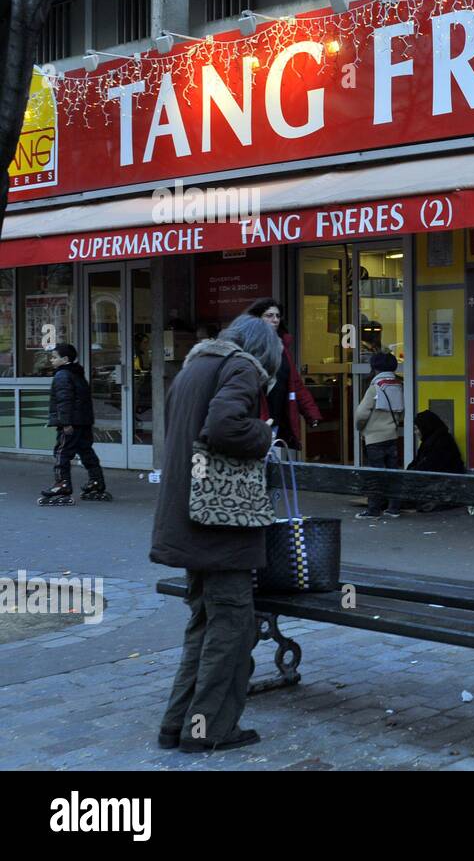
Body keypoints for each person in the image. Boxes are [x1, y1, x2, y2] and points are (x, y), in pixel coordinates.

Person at [150, 315, 280, 752]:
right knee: (232, 628)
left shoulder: (193, 367)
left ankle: (177, 725)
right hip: (219, 524)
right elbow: (224, 426)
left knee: (204, 623)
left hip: (188, 518)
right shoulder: (241, 367)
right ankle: (210, 730)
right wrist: (265, 434)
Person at [245, 298, 322, 451]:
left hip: (278, 417)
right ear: (257, 319)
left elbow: (295, 383)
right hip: (255, 419)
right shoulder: (249, 345)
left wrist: (312, 414)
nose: (275, 320)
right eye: (269, 315)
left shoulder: (282, 348)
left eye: (277, 316)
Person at [40, 344, 109, 504]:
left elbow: (64, 401)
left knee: (62, 452)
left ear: (65, 359)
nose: (51, 360)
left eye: (54, 357)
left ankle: (61, 483)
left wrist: (65, 422)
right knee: (86, 450)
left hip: (71, 421)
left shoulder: (62, 375)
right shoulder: (77, 373)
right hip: (83, 420)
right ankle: (96, 482)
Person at [355, 351, 404, 519]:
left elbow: (361, 414)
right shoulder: (398, 384)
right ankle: (394, 508)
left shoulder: (375, 387)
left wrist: (360, 428)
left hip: (374, 438)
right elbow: (401, 412)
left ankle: (373, 510)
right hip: (391, 436)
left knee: (375, 475)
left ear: (375, 368)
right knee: (393, 473)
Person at [405, 410, 466, 513]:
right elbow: (418, 462)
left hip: (446, 484)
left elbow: (429, 467)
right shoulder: (429, 441)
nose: (415, 432)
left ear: (425, 427)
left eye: (416, 429)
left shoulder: (442, 442)